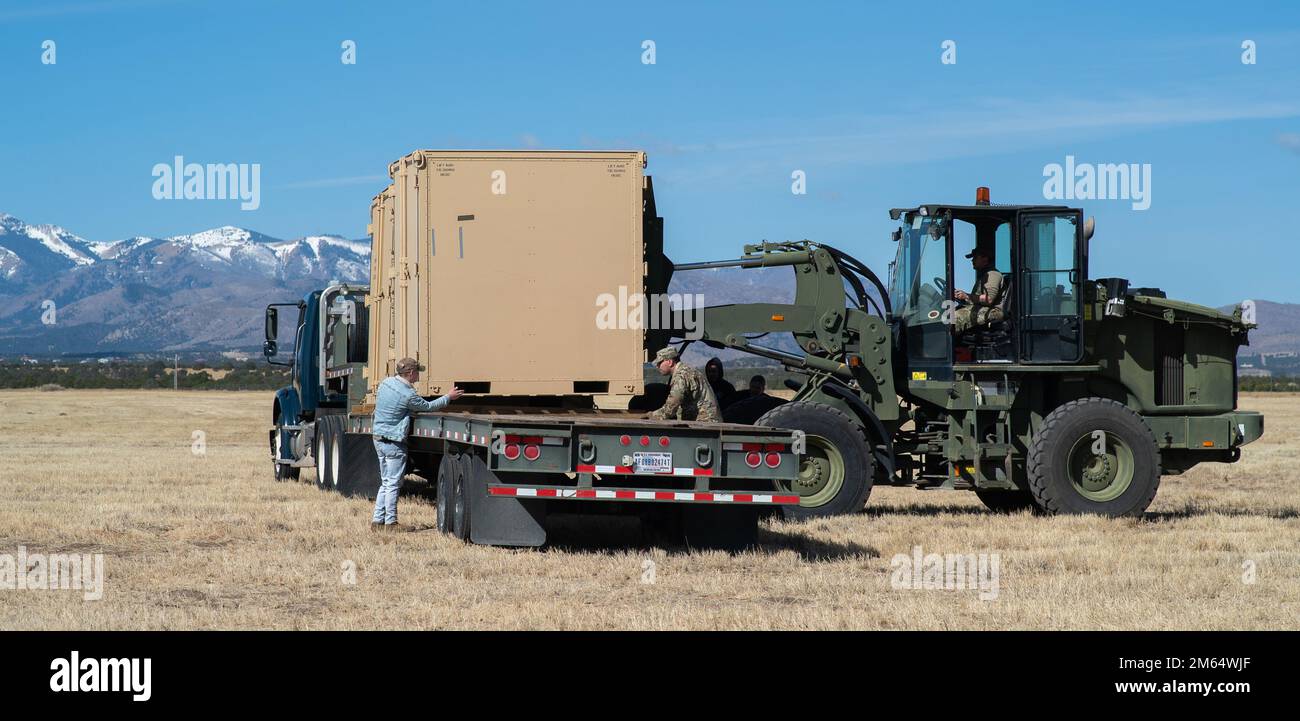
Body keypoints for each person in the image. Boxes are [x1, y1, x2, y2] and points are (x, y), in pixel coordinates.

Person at [370, 357, 463, 530]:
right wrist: (448, 397)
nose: (418, 376)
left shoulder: (386, 383)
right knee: (393, 483)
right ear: (411, 373)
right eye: (417, 372)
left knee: (385, 481)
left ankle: (377, 521)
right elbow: (428, 406)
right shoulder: (407, 394)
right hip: (393, 442)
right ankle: (391, 522)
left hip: (378, 438)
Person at [646, 347, 722, 422]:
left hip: (706, 423)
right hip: (705, 422)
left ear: (670, 362)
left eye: (659, 363)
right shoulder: (686, 371)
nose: (657, 366)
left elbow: (672, 406)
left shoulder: (681, 375)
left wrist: (650, 416)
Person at [952, 247, 1005, 334]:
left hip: (993, 311)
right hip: (983, 308)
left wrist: (966, 296)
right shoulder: (984, 275)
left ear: (985, 259)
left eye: (975, 258)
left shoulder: (992, 274)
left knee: (953, 319)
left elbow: (989, 299)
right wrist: (964, 298)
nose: (972, 261)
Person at [722, 374, 786, 424]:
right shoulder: (738, 396)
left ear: (763, 388)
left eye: (758, 388)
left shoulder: (767, 401)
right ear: (749, 386)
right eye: (753, 387)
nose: (754, 390)